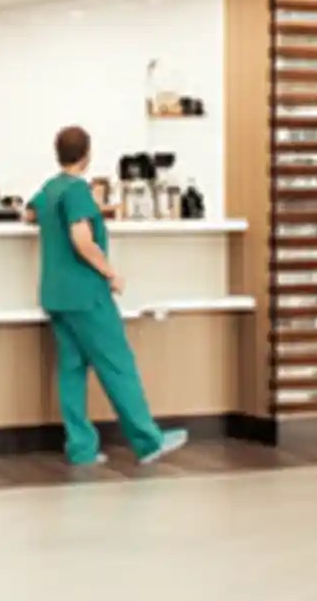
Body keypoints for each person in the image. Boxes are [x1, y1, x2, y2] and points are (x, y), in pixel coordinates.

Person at [25, 126, 188, 467]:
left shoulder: (50, 189)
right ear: (86, 155)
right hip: (86, 294)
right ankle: (148, 440)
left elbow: (29, 214)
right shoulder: (77, 191)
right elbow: (82, 240)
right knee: (117, 365)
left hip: (56, 295)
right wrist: (110, 272)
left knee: (71, 370)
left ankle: (81, 448)